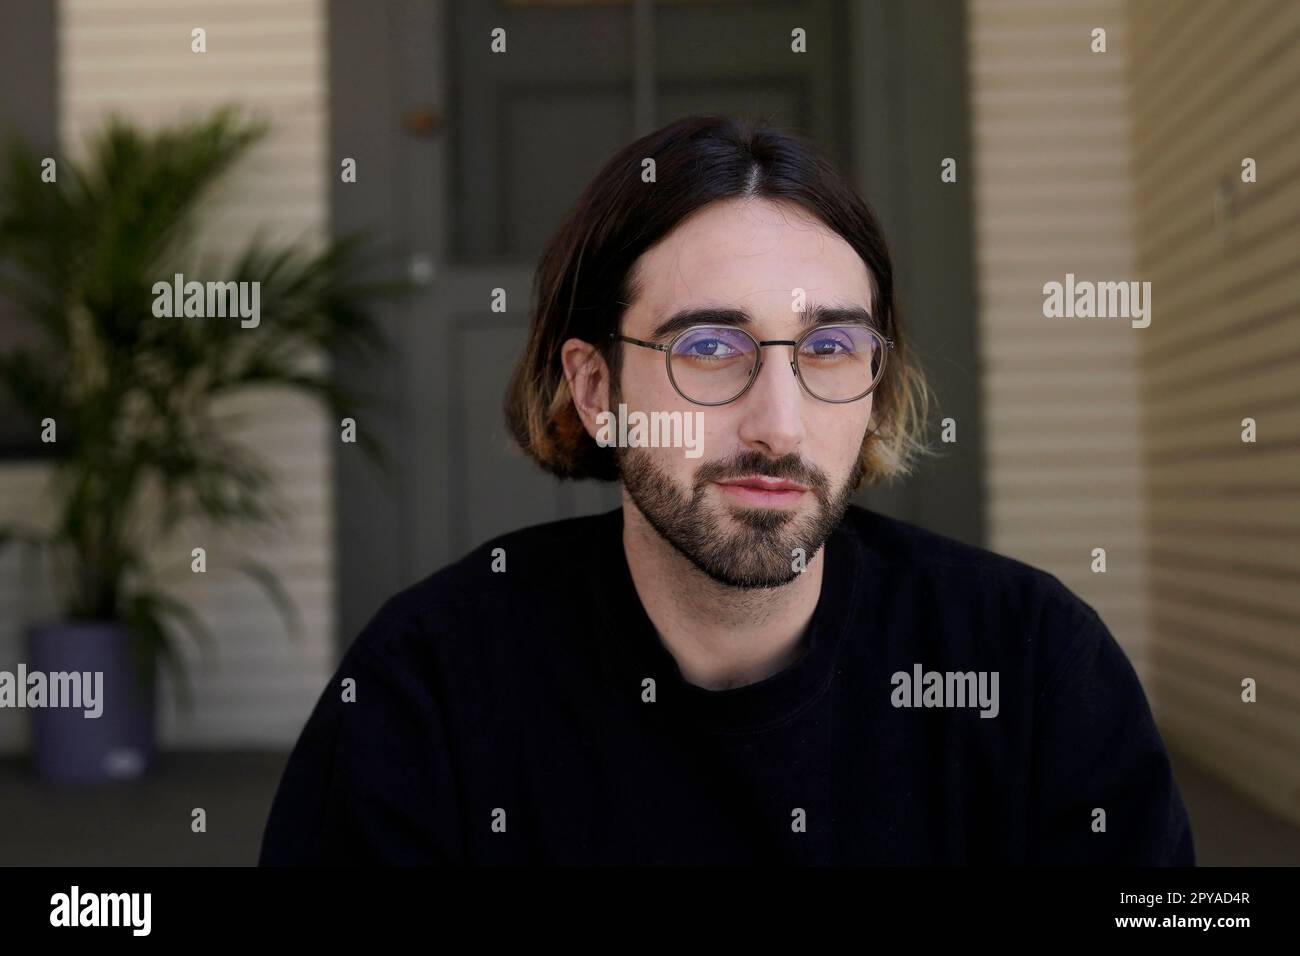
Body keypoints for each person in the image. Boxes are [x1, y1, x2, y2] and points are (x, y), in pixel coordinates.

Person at [259, 114, 1194, 865]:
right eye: (709, 347)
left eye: (830, 347)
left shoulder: (1030, 666)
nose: (778, 426)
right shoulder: (429, 686)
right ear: (595, 390)